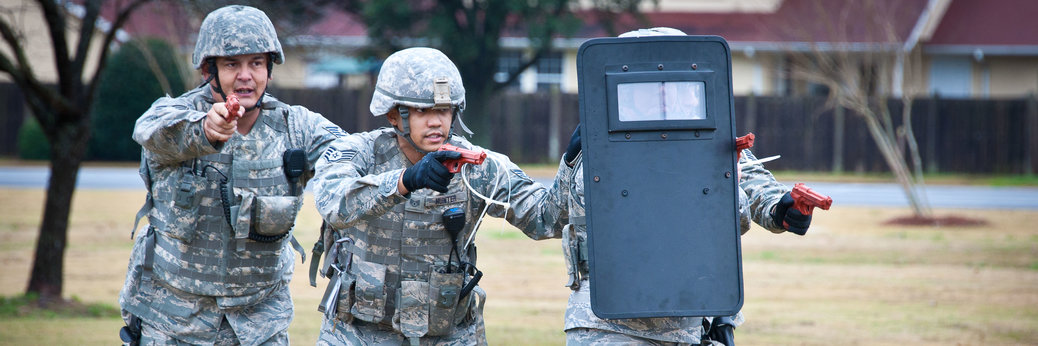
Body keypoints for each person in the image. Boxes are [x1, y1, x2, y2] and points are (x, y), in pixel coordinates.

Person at [558, 27, 813, 346]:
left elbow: (754, 185)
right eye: (649, 87)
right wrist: (570, 165)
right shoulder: (593, 144)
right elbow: (552, 219)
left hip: (695, 318)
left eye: (673, 86)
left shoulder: (709, 138)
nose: (664, 95)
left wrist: (782, 208)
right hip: (607, 327)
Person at [308, 47, 576, 345]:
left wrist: (573, 162)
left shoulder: (476, 166)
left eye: (444, 110)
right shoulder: (358, 153)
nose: (436, 122)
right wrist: (404, 181)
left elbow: (547, 219)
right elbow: (334, 203)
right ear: (393, 114)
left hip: (449, 334)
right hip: (357, 333)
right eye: (422, 110)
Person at [117, 5, 347, 345]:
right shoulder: (175, 115)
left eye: (256, 63)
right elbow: (152, 130)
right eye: (231, 64)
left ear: (269, 69)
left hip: (260, 327)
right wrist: (207, 129)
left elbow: (349, 155)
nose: (245, 75)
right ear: (209, 70)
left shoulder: (297, 129)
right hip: (174, 325)